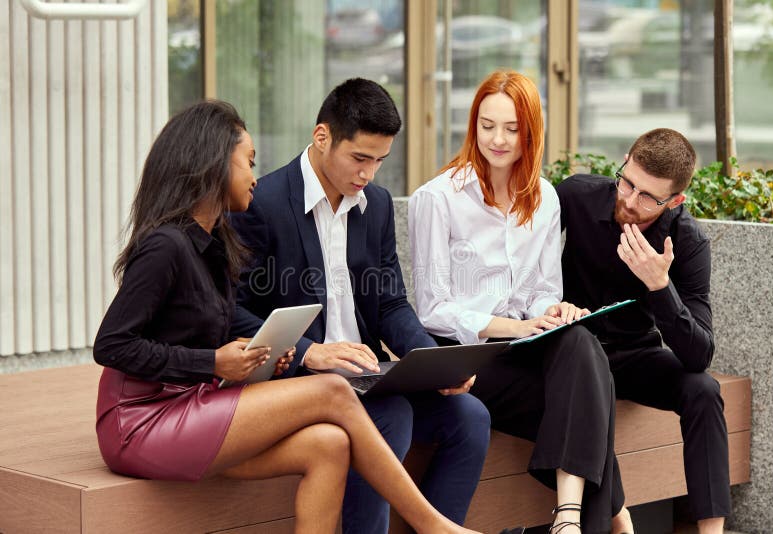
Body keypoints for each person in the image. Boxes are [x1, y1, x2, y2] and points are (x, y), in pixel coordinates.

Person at [93, 100, 482, 534]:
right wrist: (217, 362)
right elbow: (111, 346)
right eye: (248, 162)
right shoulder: (165, 246)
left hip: (198, 399)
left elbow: (210, 331)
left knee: (330, 443)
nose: (255, 176)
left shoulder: (217, 243)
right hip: (142, 418)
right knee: (334, 391)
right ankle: (432, 525)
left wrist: (259, 358)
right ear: (211, 165)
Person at [230, 79, 491, 534]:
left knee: (470, 417)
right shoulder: (262, 204)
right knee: (392, 415)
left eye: (379, 161)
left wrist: (431, 360)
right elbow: (234, 312)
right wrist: (312, 352)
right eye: (360, 158)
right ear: (322, 136)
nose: (369, 173)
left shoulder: (379, 205)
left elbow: (390, 303)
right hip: (300, 382)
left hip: (367, 377)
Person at [409, 70, 633, 534]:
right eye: (487, 125)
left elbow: (542, 290)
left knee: (579, 342)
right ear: (473, 125)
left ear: (530, 131)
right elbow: (432, 307)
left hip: (525, 349)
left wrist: (553, 312)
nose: (498, 139)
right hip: (467, 357)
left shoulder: (545, 199)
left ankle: (568, 521)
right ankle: (611, 519)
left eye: (512, 129)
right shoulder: (437, 199)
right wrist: (510, 327)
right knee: (591, 401)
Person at [556, 128, 729, 534]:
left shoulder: (687, 242)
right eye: (627, 181)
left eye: (648, 197)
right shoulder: (576, 196)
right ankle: (616, 516)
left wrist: (659, 286)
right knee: (582, 365)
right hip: (570, 353)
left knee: (704, 390)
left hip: (633, 356)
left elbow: (699, 354)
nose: (629, 201)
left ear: (675, 200)